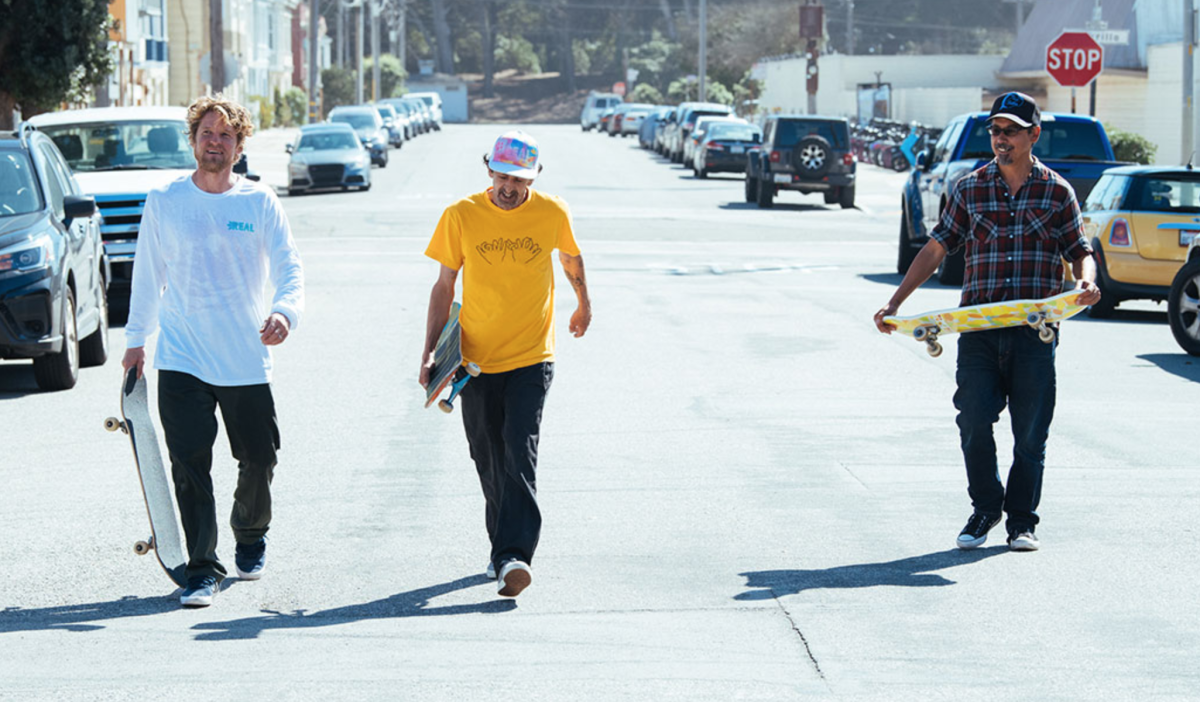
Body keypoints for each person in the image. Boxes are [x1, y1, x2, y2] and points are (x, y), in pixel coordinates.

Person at [873, 92, 1101, 552]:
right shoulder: (969, 188)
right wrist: (895, 303)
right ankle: (985, 508)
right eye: (996, 130)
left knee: (1030, 433)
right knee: (974, 420)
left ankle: (1022, 522)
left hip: (1034, 332)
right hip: (979, 331)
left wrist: (1086, 283)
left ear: (1033, 135)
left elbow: (1081, 251)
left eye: (1011, 131)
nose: (1001, 138)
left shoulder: (1057, 192)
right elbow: (937, 247)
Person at [122, 95, 304, 607]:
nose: (215, 142)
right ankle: (202, 569)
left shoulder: (258, 202)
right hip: (181, 357)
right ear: (193, 140)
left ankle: (250, 533)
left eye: (226, 135)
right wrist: (136, 341)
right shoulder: (166, 200)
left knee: (260, 458)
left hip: (244, 357)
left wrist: (285, 312)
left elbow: (290, 266)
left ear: (239, 146)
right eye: (207, 133)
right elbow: (147, 274)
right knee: (189, 466)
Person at [420, 130, 592, 597]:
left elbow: (570, 257)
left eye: (519, 179)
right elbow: (444, 286)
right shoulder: (461, 215)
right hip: (474, 361)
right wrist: (430, 351)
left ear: (533, 178)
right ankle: (503, 549)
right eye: (502, 177)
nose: (509, 187)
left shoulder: (552, 212)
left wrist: (584, 304)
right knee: (488, 458)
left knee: (519, 452)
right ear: (489, 171)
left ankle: (514, 556)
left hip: (532, 356)